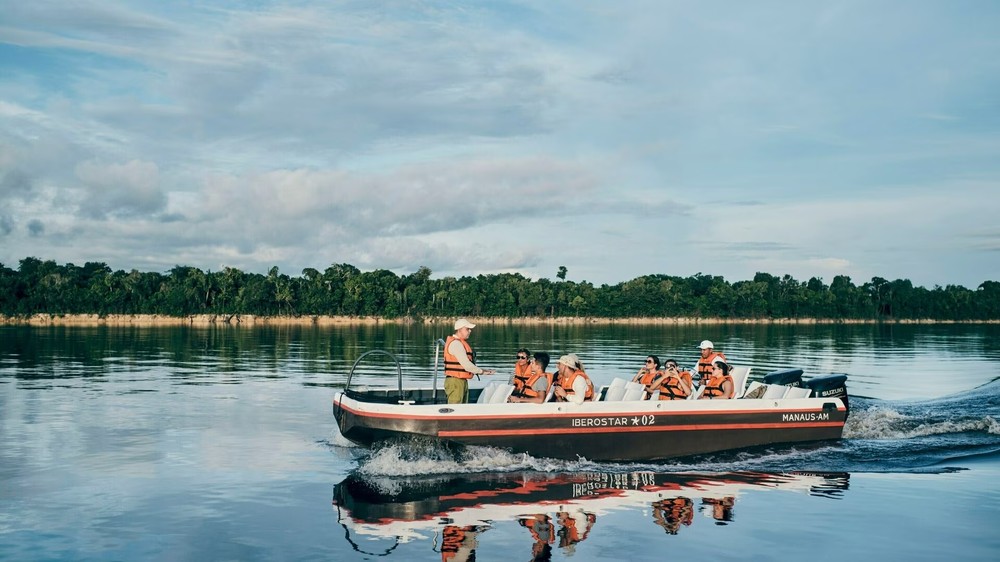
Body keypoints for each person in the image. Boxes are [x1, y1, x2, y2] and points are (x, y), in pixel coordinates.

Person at [443, 318, 495, 404]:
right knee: (455, 410)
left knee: (462, 409)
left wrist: (482, 370)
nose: (470, 331)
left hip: (460, 381)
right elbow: (466, 365)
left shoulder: (459, 343)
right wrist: (482, 372)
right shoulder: (456, 344)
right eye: (467, 329)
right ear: (459, 330)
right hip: (455, 382)